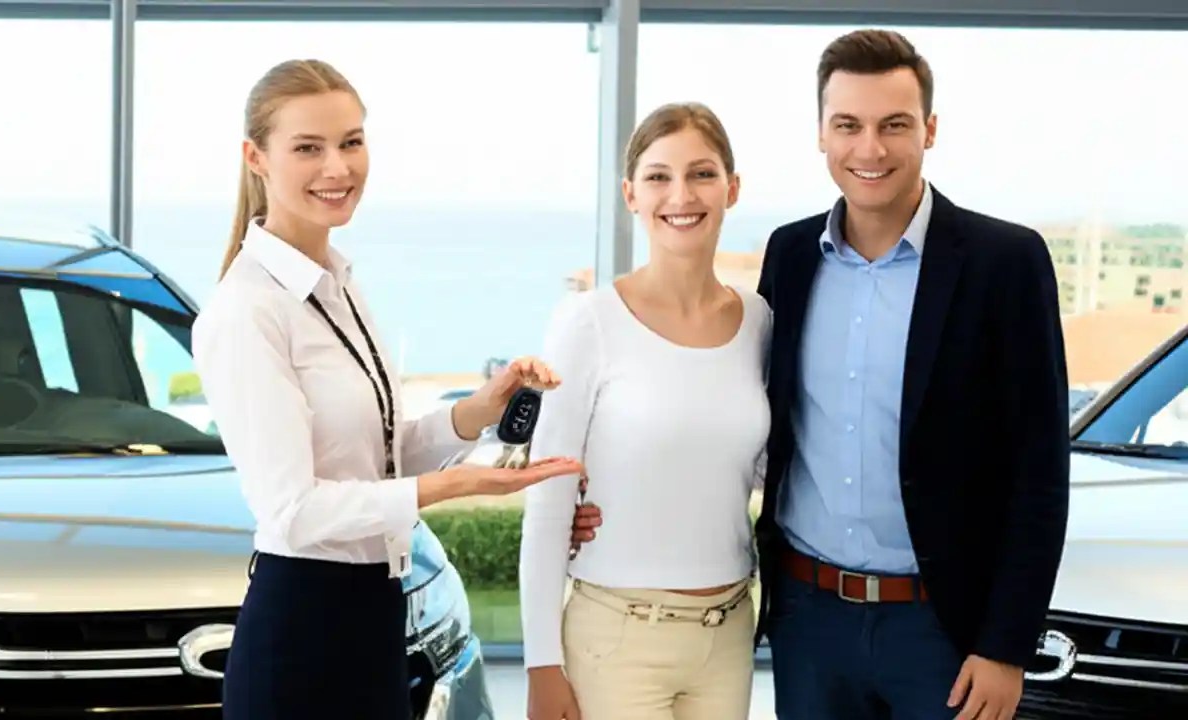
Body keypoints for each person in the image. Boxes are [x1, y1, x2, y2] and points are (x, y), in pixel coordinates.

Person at [571, 29, 1071, 720]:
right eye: (849, 126)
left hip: (944, 633)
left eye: (894, 125)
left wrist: (1007, 646)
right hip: (810, 624)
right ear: (821, 135)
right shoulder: (792, 256)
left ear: (929, 129)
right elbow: (728, 414)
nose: (870, 149)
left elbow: (1039, 470)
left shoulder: (1005, 263)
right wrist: (602, 499)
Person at [191, 59, 584, 720]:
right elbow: (293, 511)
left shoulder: (338, 282)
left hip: (372, 621)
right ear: (255, 157)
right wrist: (453, 489)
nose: (338, 168)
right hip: (303, 637)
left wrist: (476, 413)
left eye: (351, 141)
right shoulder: (245, 311)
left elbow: (381, 455)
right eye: (308, 148)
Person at [520, 102, 773, 720]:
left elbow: (760, 467)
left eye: (702, 173)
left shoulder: (760, 322)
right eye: (658, 176)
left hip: (729, 634)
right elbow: (548, 502)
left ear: (732, 189)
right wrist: (541, 665)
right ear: (631, 194)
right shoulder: (589, 323)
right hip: (616, 642)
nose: (680, 195)